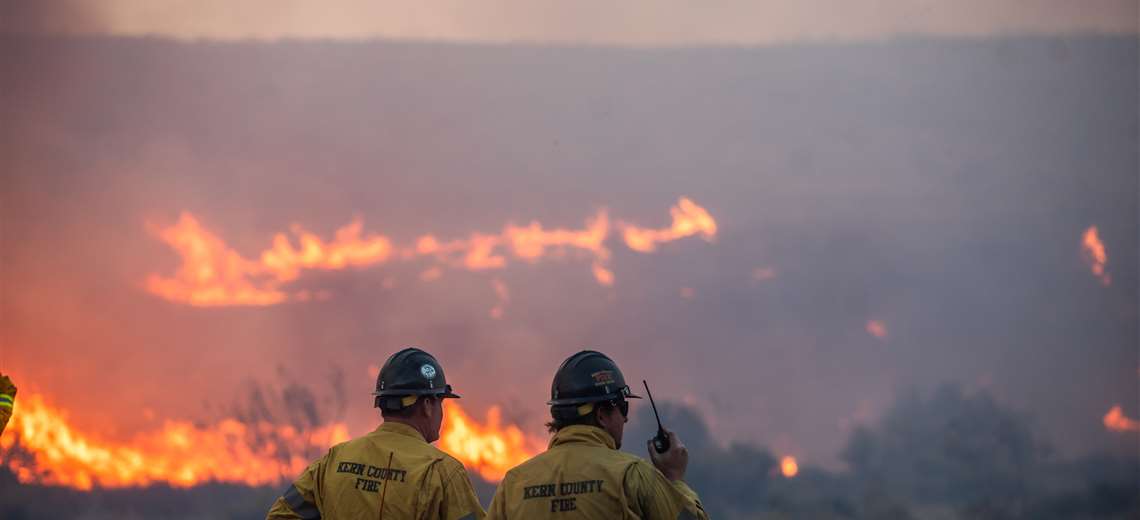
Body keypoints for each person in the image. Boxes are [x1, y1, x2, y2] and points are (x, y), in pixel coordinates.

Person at [267, 347, 486, 520]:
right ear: (427, 405)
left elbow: (281, 516)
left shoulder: (334, 460)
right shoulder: (443, 472)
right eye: (441, 402)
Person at [487, 350, 709, 519]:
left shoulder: (513, 484)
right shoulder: (631, 476)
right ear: (602, 414)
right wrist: (673, 478)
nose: (626, 418)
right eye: (623, 407)